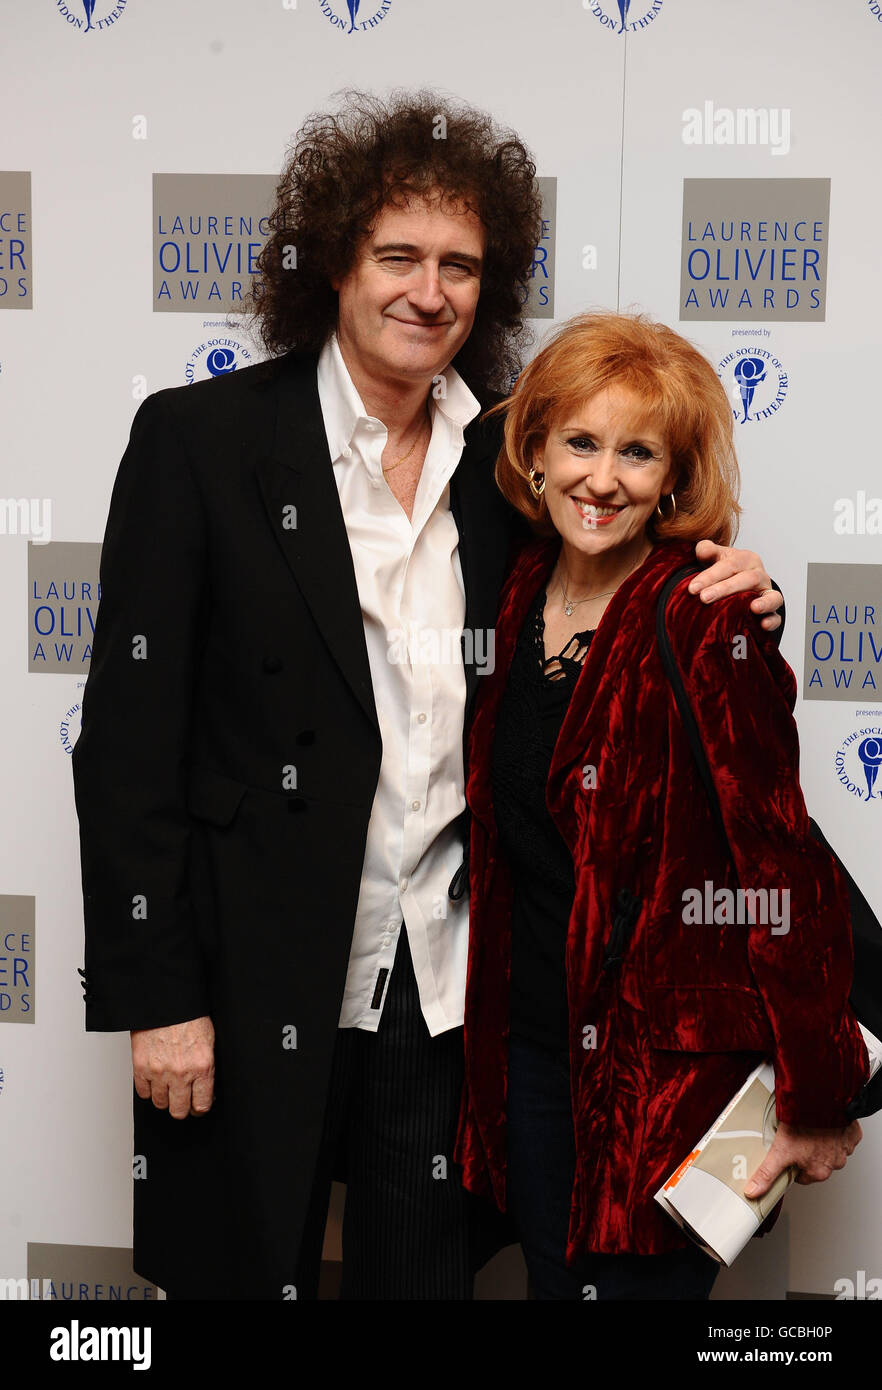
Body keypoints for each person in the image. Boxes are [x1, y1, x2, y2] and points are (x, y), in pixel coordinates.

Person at [71, 92, 784, 1301]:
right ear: (336, 263)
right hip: (252, 983)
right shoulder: (201, 441)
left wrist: (735, 583)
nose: (428, 290)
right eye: (398, 255)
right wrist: (160, 1000)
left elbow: (620, 575)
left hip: (446, 993)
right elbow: (130, 745)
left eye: (460, 264)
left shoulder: (510, 460)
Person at [455, 311, 867, 1301]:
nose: (603, 478)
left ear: (673, 479)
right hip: (528, 1066)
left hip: (660, 1091)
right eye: (581, 443)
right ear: (537, 451)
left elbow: (781, 865)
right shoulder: (511, 595)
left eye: (637, 452)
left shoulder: (706, 614)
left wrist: (817, 1092)